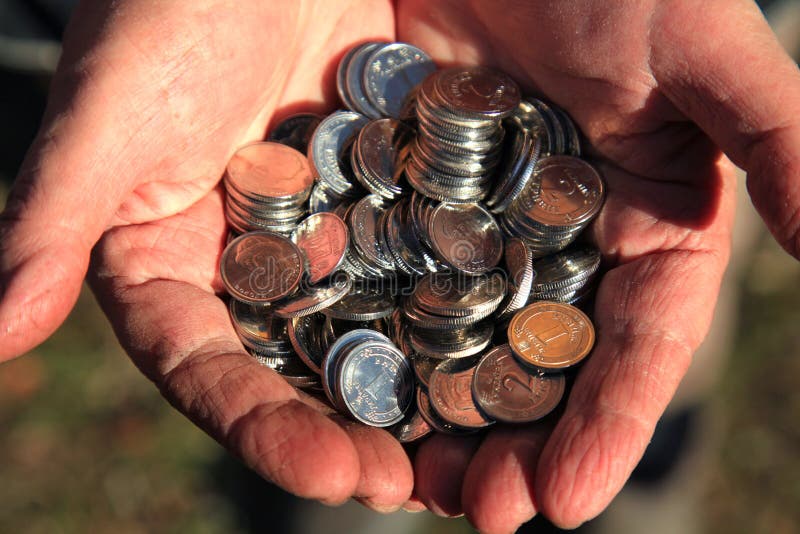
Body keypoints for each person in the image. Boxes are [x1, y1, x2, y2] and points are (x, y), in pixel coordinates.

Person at [2, 1, 800, 532]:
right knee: (327, 463)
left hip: (654, 106)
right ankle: (326, 511)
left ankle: (653, 483)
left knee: (648, 351)